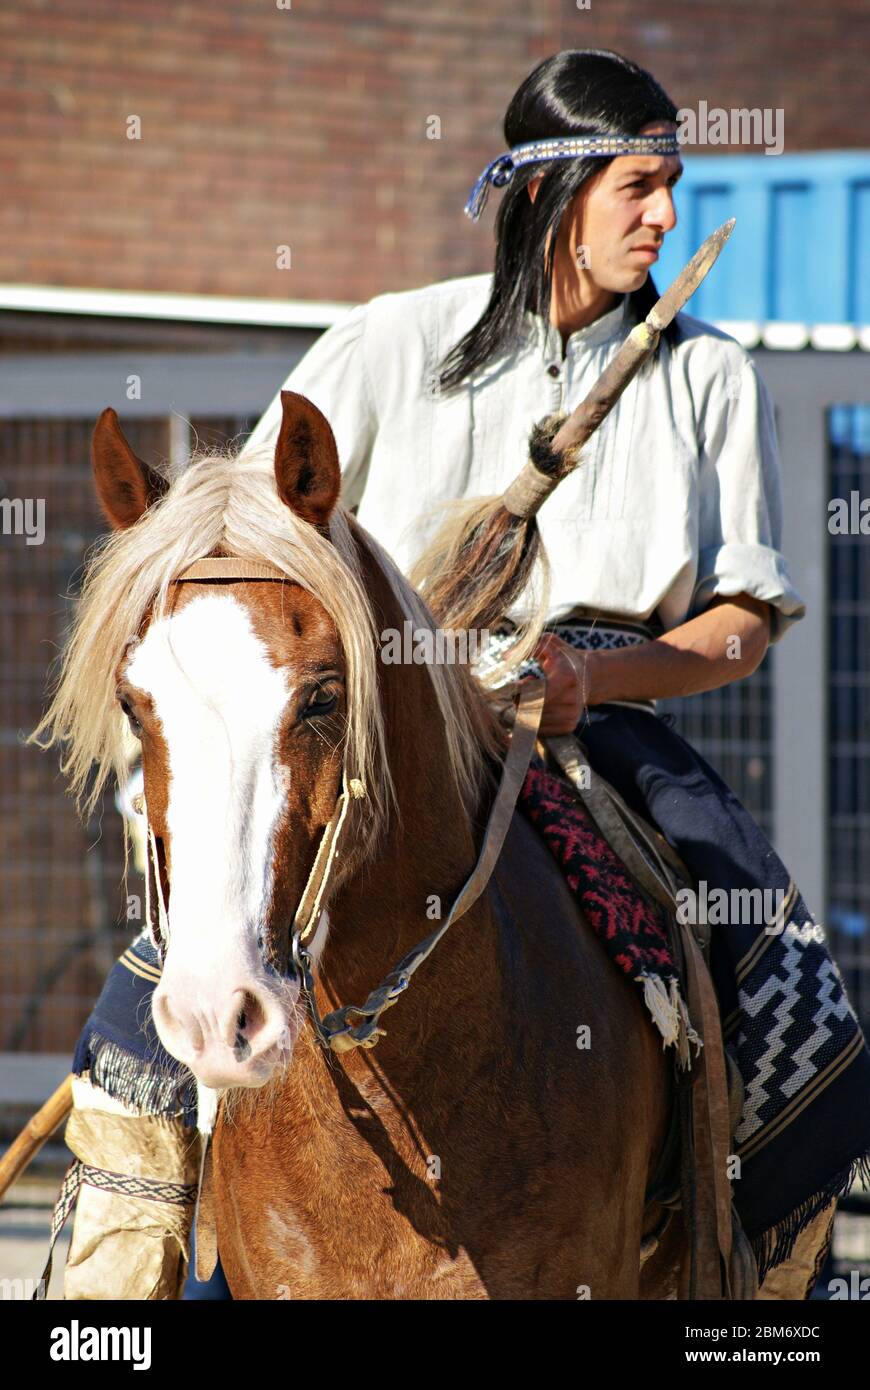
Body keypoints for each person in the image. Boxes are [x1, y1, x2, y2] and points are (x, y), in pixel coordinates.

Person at [59, 47, 869, 1300]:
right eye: (640, 185)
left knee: (772, 951)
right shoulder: (391, 340)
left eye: (673, 185)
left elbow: (741, 628)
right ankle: (108, 1291)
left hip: (602, 722)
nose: (667, 216)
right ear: (552, 191)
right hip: (379, 717)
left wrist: (598, 683)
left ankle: (768, 1285)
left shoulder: (713, 372)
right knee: (165, 978)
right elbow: (257, 540)